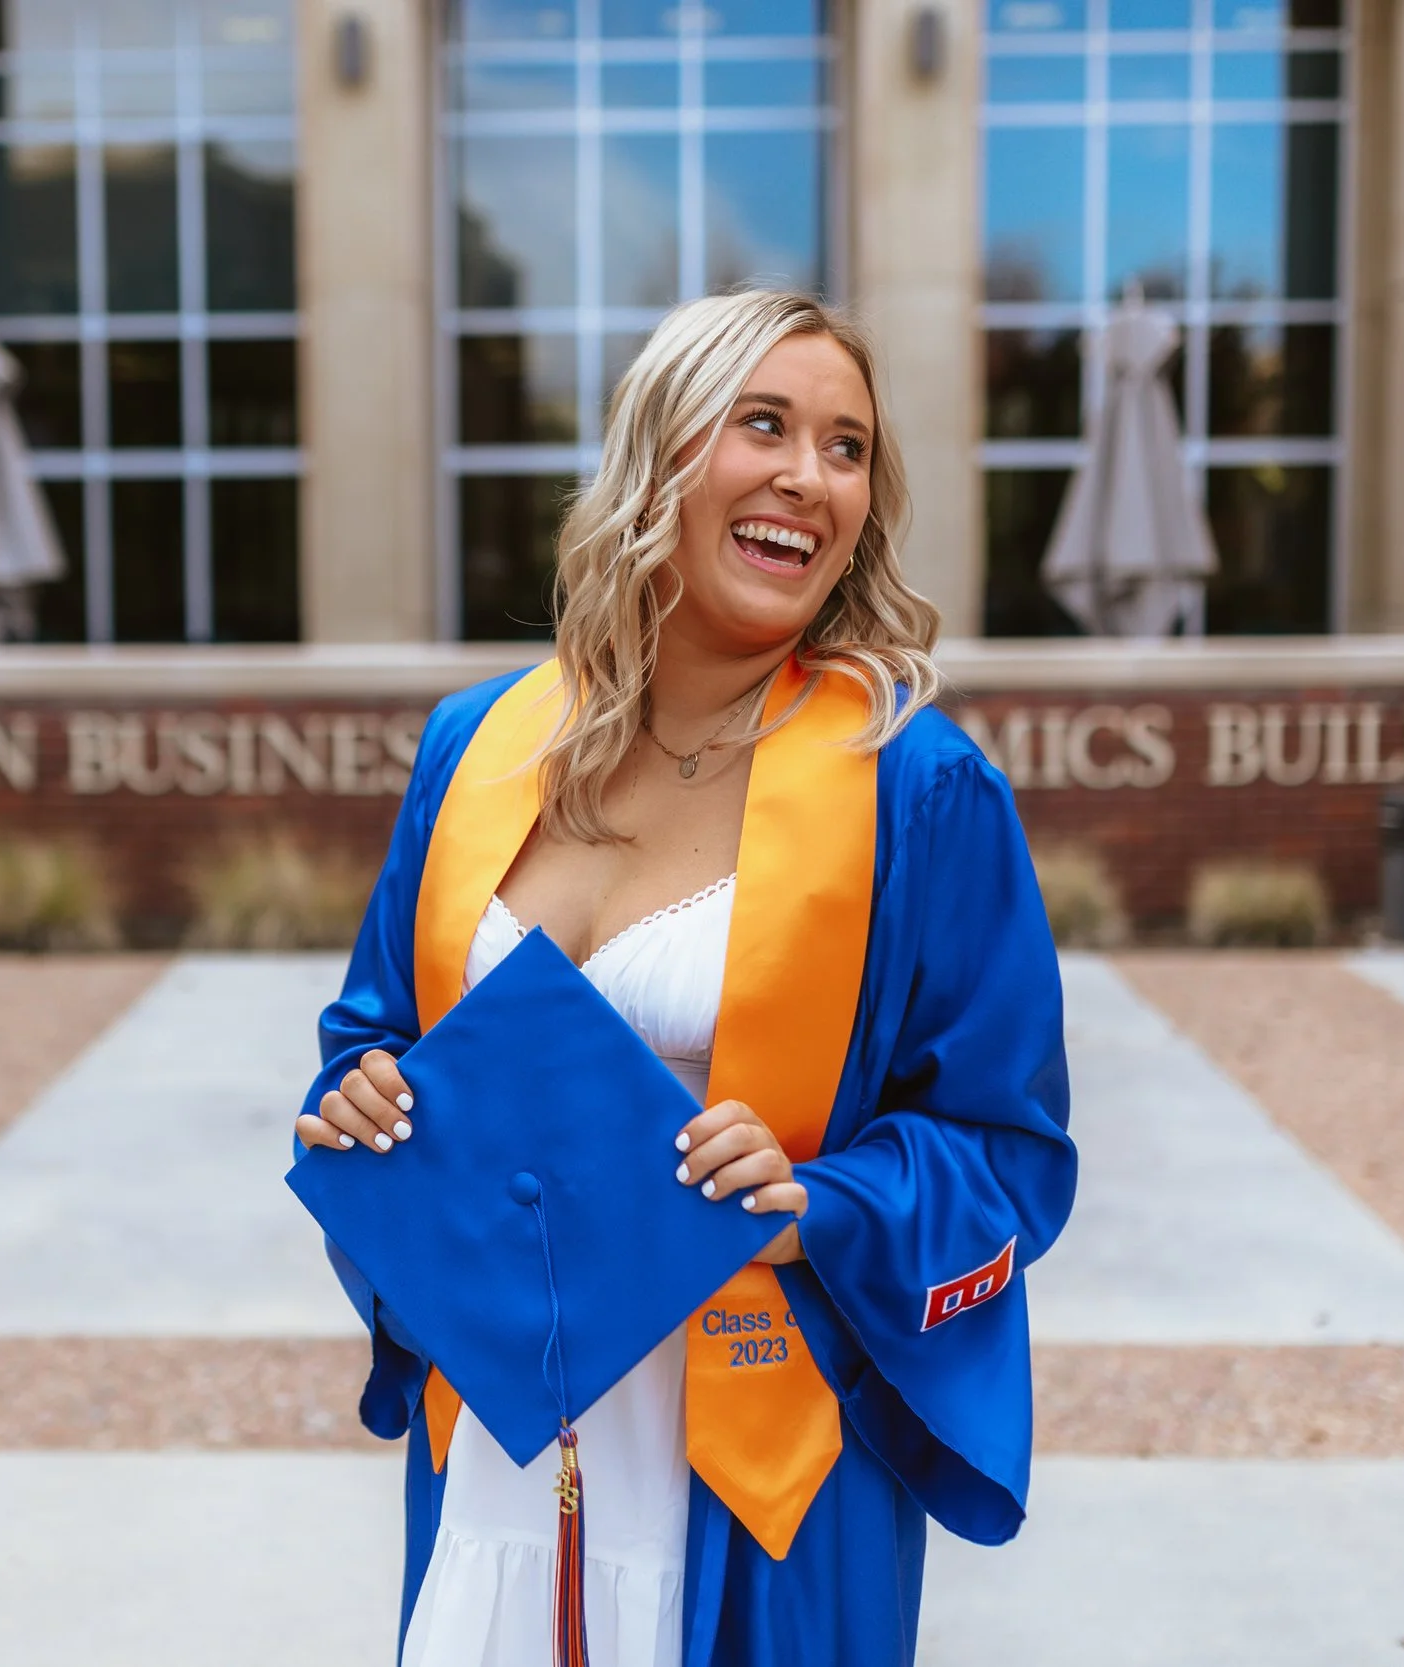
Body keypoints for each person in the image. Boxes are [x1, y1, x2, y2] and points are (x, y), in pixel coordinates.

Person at [295, 289, 1078, 1667]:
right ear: (659, 453)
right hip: (496, 1436)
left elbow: (1009, 1152)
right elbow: (378, 1030)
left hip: (753, 1468)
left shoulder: (917, 791)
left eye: (847, 448)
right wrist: (360, 1100)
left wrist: (815, 1206)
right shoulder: (477, 747)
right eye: (763, 424)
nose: (807, 476)